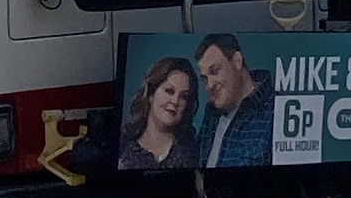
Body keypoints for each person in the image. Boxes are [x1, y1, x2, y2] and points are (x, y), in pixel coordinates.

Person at [194, 32, 274, 167]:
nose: (210, 85)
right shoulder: (211, 115)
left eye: (215, 71)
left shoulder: (277, 110)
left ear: (237, 61)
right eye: (205, 79)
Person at [117, 55, 199, 170]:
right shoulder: (122, 148)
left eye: (183, 97)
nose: (175, 101)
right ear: (151, 94)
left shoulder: (194, 152)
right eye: (169, 91)